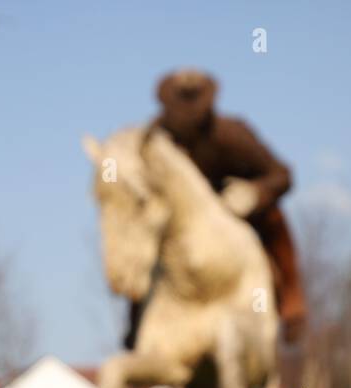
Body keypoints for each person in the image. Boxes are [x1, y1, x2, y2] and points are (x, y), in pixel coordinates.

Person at [124, 68, 307, 349]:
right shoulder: (155, 140)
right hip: (178, 219)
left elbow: (281, 174)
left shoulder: (231, 134)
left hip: (232, 208)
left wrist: (254, 193)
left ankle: (291, 297)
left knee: (274, 217)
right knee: (143, 246)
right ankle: (137, 320)